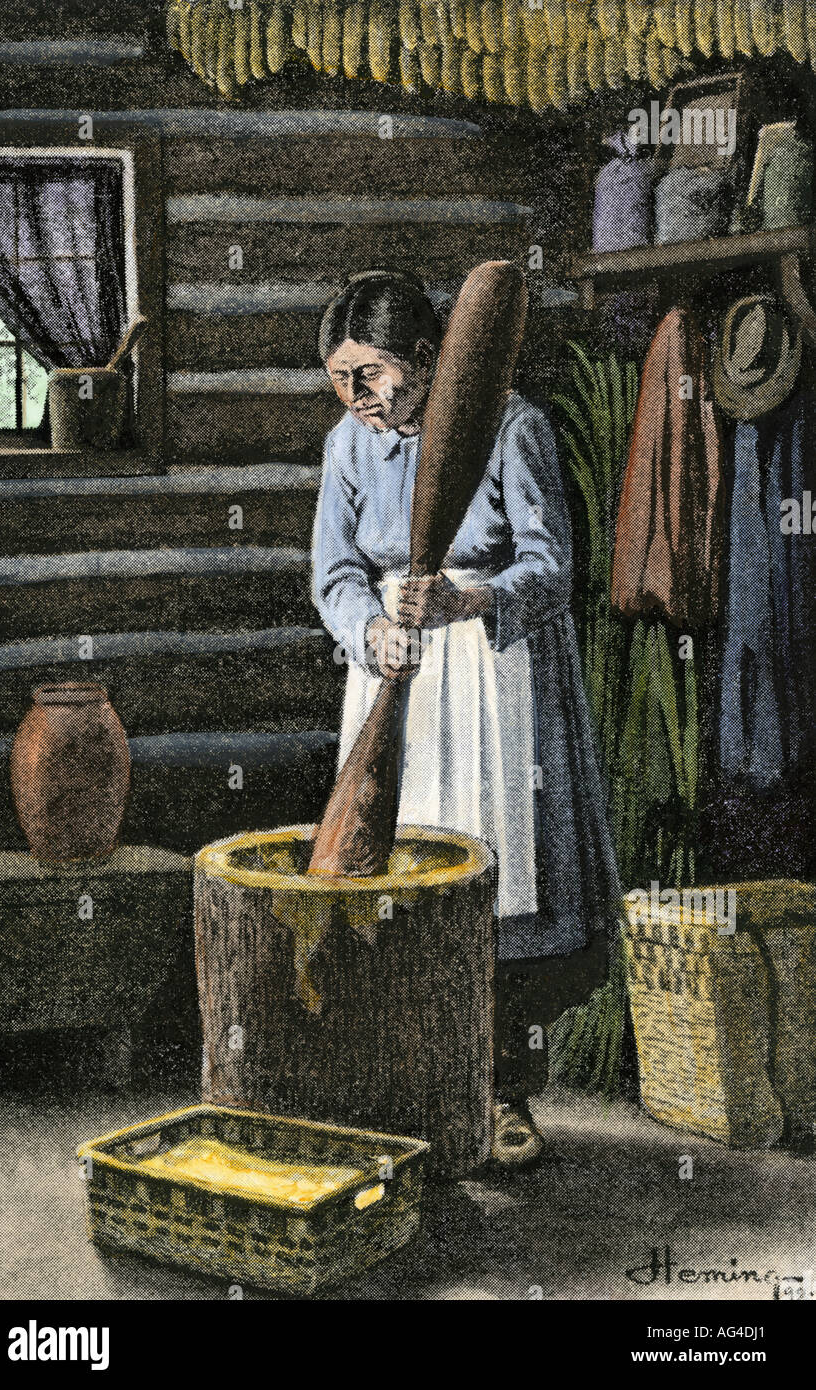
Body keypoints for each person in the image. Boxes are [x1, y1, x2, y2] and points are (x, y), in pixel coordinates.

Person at [312, 269, 621, 1163]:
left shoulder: (512, 427)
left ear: (423, 357)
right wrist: (370, 630)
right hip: (392, 677)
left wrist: (464, 599)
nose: (355, 396)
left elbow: (552, 569)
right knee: (397, 883)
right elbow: (332, 572)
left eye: (369, 373)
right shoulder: (348, 445)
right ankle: (413, 1092)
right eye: (340, 378)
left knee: (499, 891)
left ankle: (505, 1098)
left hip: (496, 677)